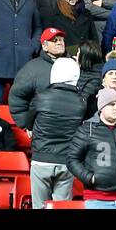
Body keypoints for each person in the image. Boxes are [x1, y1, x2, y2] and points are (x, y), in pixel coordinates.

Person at [22, 55, 86, 207]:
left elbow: (27, 122)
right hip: (66, 161)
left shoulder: (41, 97)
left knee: (39, 205)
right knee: (62, 206)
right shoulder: (81, 102)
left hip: (41, 159)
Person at [68, 87, 116, 209]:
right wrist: (90, 178)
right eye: (111, 104)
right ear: (101, 108)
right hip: (96, 199)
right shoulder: (87, 130)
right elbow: (72, 159)